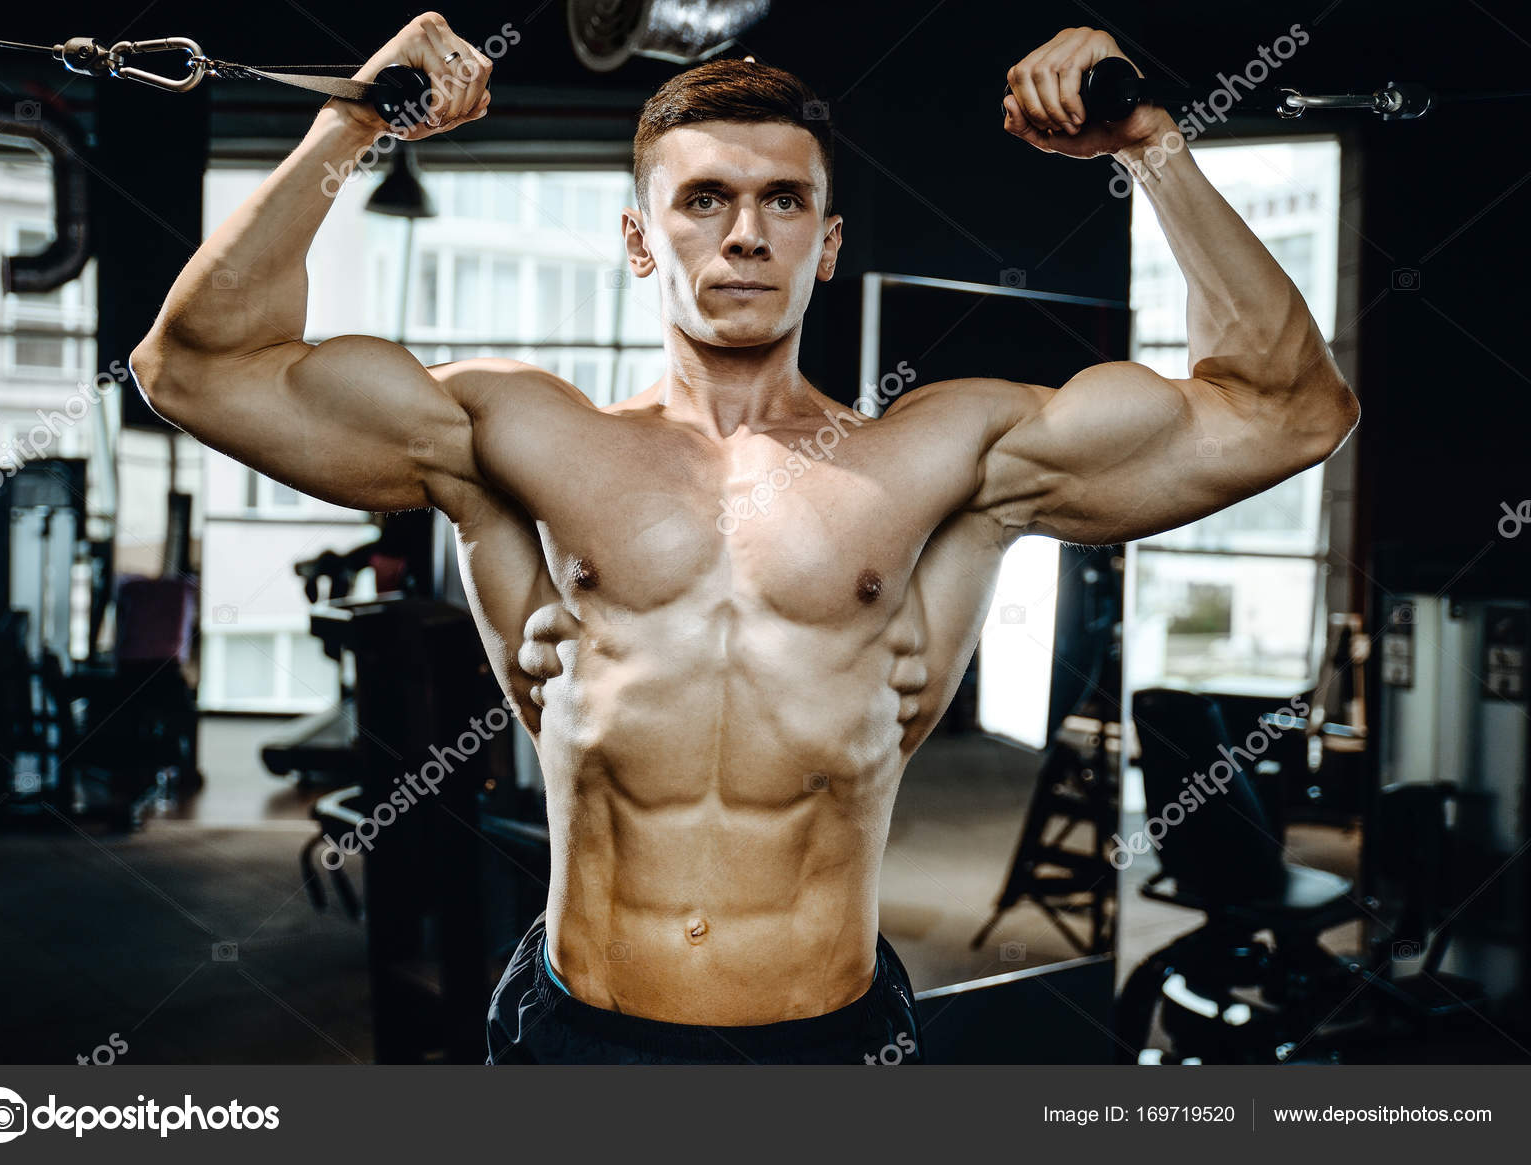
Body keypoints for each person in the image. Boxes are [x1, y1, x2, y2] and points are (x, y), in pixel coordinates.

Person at [130, 17, 1359, 1063]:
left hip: (828, 1036)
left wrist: (1151, 145)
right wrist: (351, 123)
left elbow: (1286, 409)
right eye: (703, 199)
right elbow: (195, 369)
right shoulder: (515, 434)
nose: (745, 235)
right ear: (637, 240)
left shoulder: (946, 452)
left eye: (785, 202)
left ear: (827, 246)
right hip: (577, 1032)